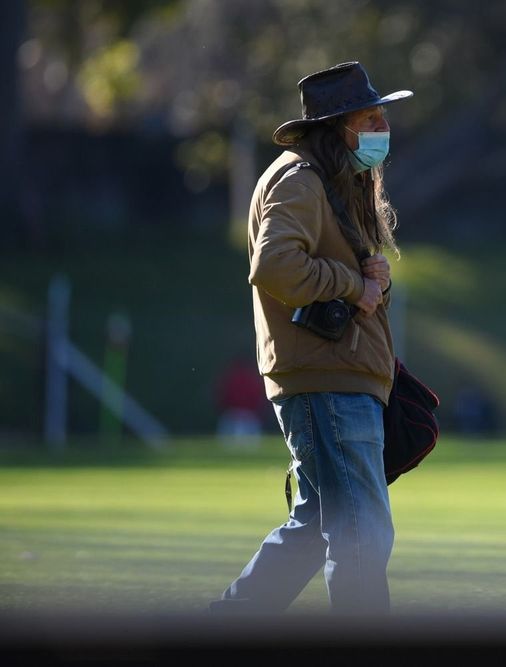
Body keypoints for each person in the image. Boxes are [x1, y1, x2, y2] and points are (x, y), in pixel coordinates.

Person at [209, 61, 413, 616]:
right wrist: (353, 283)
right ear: (338, 126)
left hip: (338, 378)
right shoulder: (298, 179)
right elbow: (276, 267)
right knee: (362, 533)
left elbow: (342, 281)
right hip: (328, 382)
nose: (382, 129)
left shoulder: (331, 184)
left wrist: (374, 281)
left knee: (315, 527)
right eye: (371, 118)